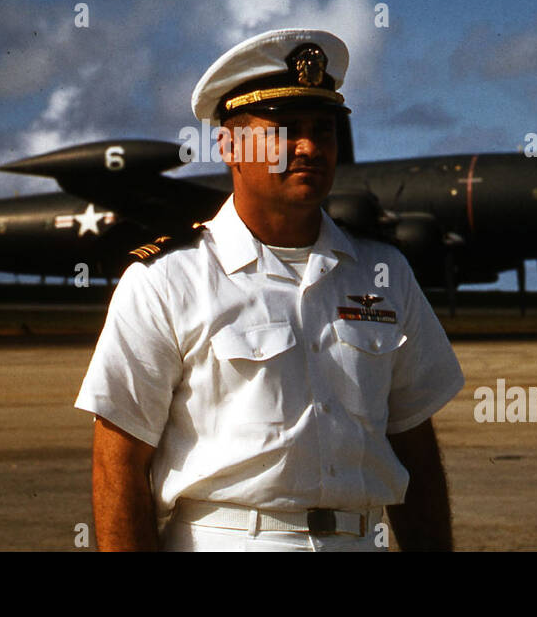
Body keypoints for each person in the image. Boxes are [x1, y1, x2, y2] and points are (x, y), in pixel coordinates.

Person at [74, 28, 465, 551]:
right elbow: (117, 463)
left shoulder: (385, 273)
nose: (308, 148)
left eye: (323, 130)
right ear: (229, 145)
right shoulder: (168, 280)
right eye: (284, 129)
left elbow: (414, 445)